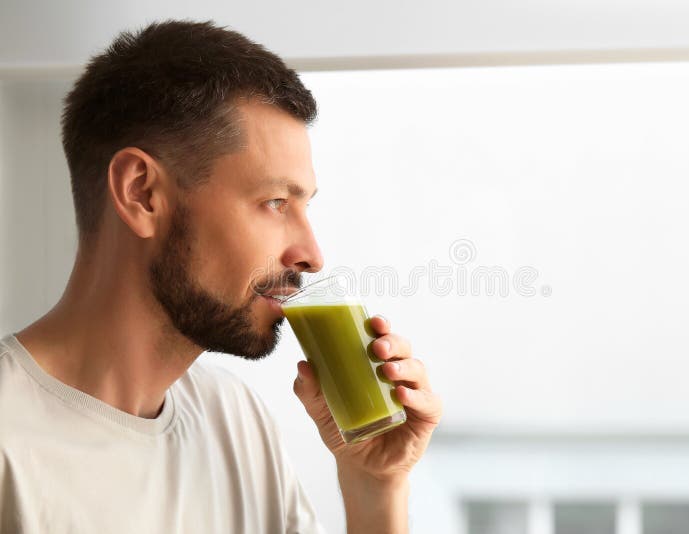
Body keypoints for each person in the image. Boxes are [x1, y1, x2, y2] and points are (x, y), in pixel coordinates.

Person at [0, 19, 442, 533]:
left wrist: (375, 487)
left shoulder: (235, 421)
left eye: (304, 206)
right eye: (275, 202)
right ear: (141, 193)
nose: (312, 255)